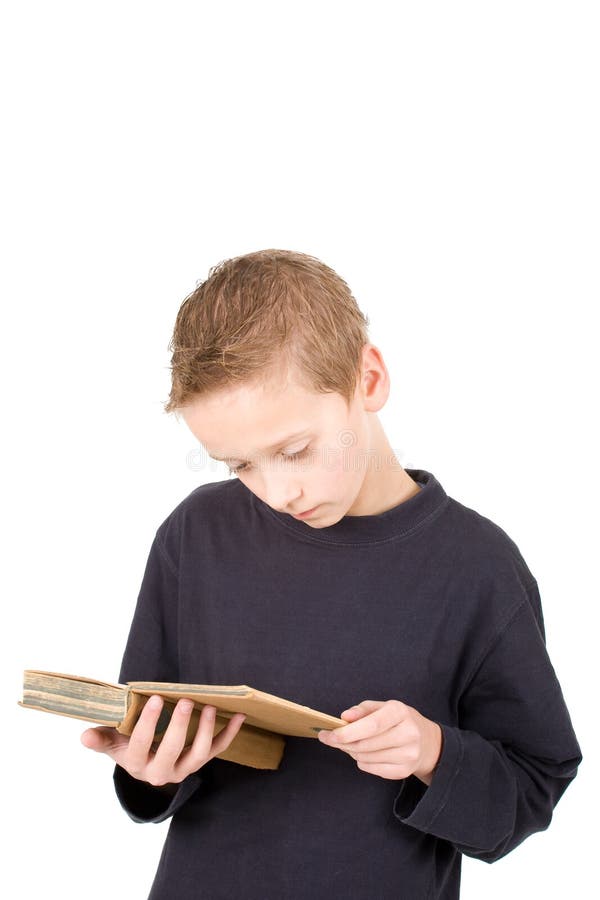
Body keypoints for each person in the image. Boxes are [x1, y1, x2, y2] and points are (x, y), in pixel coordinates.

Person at [80, 249, 582, 899]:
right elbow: (154, 747)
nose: (277, 491)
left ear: (366, 379)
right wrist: (151, 769)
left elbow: (532, 787)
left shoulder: (479, 568)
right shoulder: (195, 536)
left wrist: (433, 752)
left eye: (294, 451)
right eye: (240, 466)